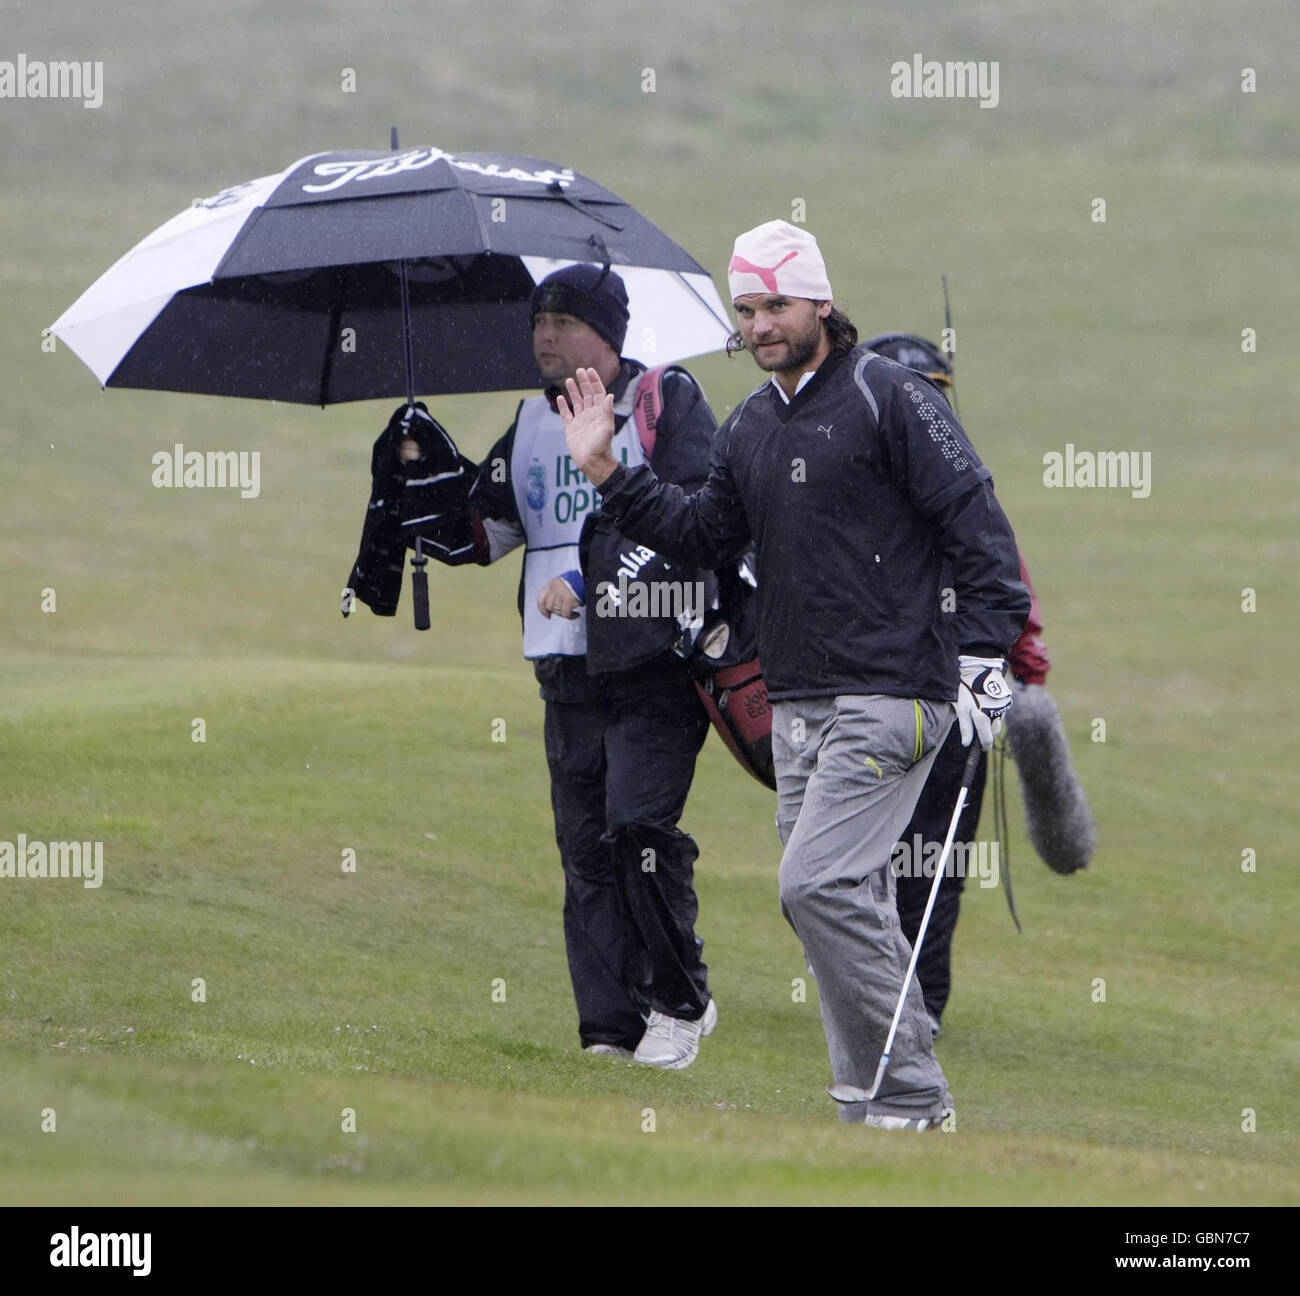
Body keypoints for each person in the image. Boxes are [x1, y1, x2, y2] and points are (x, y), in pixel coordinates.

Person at [558, 221, 1030, 1129]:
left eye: (777, 304)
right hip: (799, 706)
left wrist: (984, 656)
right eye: (746, 309)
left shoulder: (889, 397)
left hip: (895, 695)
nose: (762, 323)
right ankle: (876, 1104)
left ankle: (913, 1096)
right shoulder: (750, 426)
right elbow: (701, 536)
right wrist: (610, 471)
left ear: (822, 302)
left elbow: (977, 522)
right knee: (838, 905)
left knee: (814, 887)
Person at [348, 265, 721, 1069]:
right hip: (563, 672)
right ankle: (608, 1032)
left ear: (608, 334)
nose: (544, 335)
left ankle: (680, 1000)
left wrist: (593, 582)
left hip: (653, 662)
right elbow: (482, 535)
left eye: (563, 319)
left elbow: (702, 522)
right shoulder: (528, 423)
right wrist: (420, 468)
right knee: (585, 849)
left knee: (637, 828)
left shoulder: (663, 403)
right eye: (537, 320)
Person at [867, 330, 1053, 1038]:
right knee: (877, 859)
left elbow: (1009, 592)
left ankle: (918, 1007)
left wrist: (1018, 678)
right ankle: (884, 995)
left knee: (932, 861)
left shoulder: (958, 488)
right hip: (877, 696)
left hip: (959, 705)